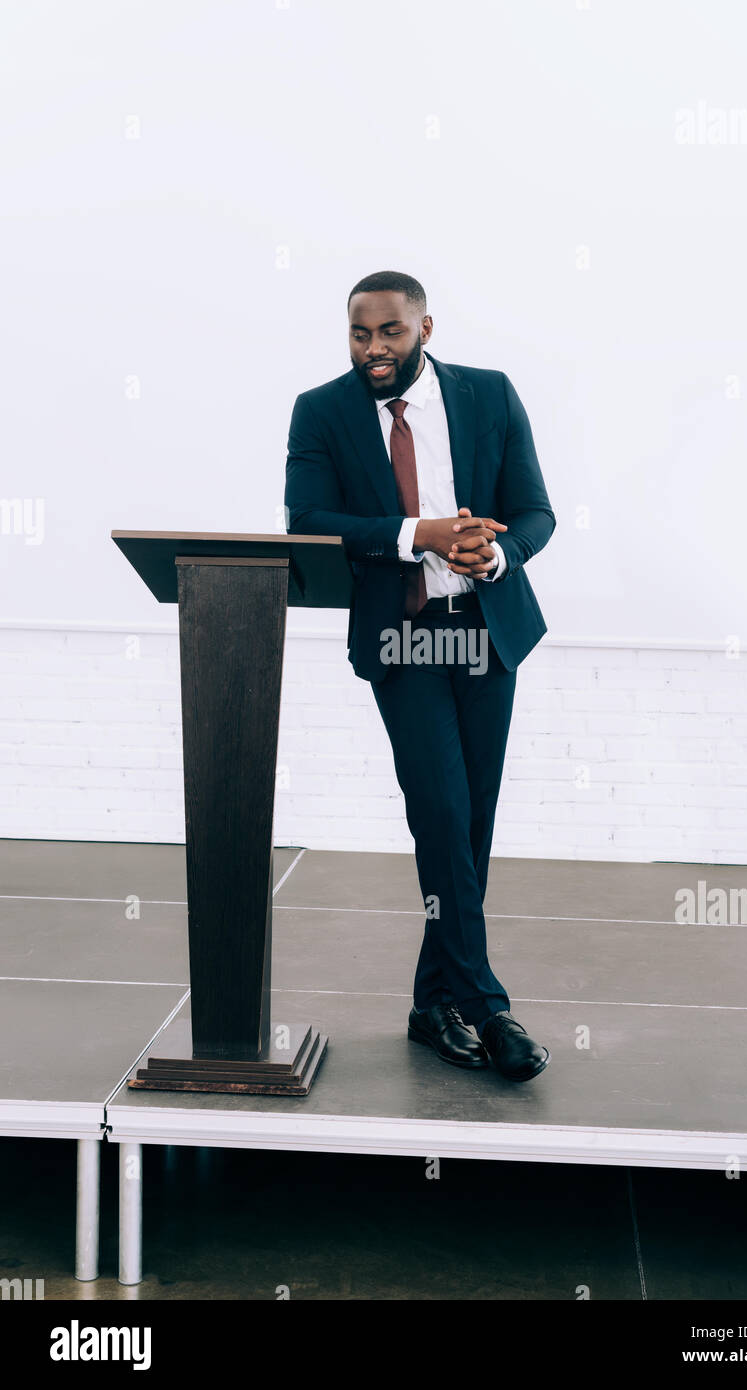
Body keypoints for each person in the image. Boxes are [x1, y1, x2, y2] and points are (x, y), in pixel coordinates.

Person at [284, 270, 556, 1082]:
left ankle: (429, 1005)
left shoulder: (488, 394)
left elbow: (536, 509)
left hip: (483, 629)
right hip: (402, 638)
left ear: (424, 330)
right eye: (360, 335)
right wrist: (421, 534)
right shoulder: (322, 410)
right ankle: (485, 1005)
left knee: (470, 821)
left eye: (390, 333)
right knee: (438, 812)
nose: (374, 349)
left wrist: (495, 550)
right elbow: (308, 519)